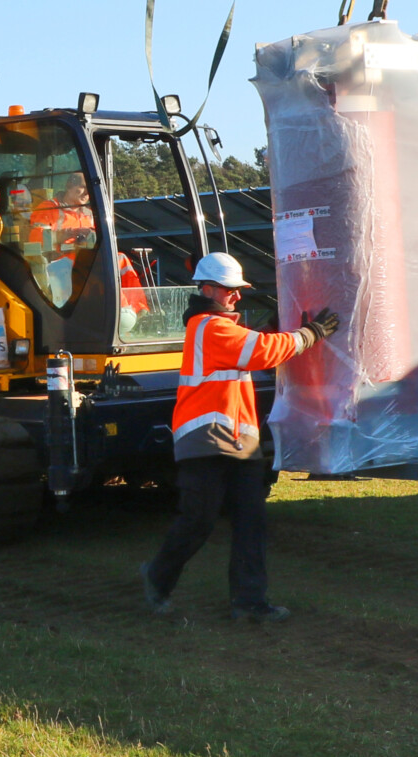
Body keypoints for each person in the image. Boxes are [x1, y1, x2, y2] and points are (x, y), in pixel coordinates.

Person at [141, 253, 340, 623]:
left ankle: (249, 603)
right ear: (207, 289)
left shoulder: (217, 327)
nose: (236, 296)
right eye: (230, 290)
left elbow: (250, 346)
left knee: (251, 521)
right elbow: (261, 352)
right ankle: (157, 577)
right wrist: (310, 334)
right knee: (199, 520)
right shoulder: (208, 326)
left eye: (238, 290)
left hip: (236, 442)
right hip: (207, 440)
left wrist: (275, 329)